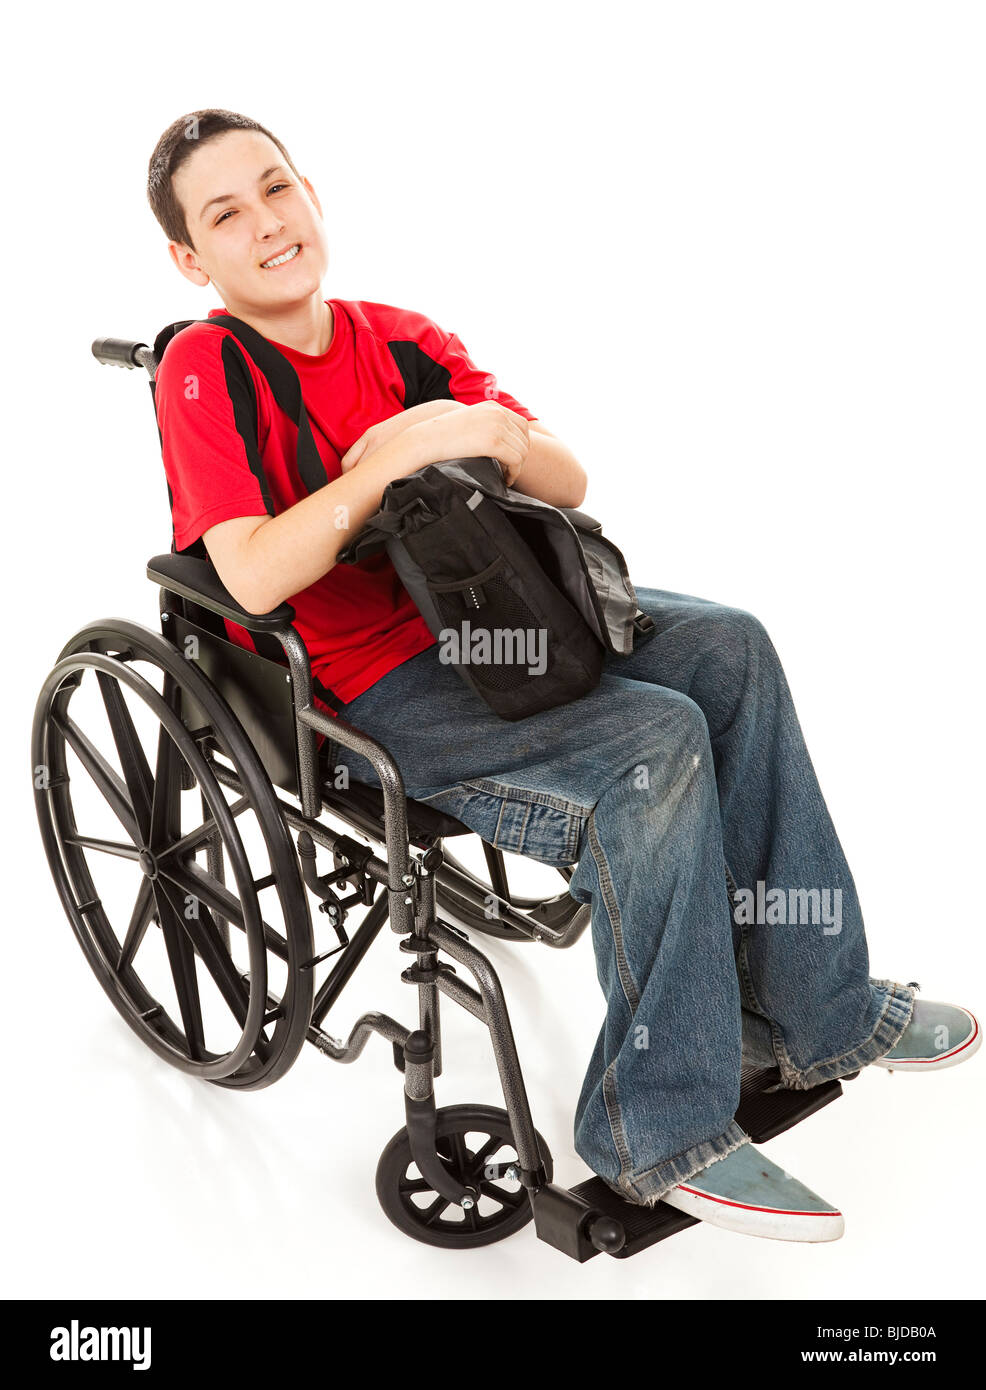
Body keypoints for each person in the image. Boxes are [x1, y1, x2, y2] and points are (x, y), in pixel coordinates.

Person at [148, 108, 980, 1244]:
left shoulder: (395, 338)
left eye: (277, 188)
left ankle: (815, 1010)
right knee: (655, 745)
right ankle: (657, 1129)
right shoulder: (204, 366)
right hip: (373, 688)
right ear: (192, 259)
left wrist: (475, 423)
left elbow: (566, 477)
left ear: (312, 195)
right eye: (225, 214)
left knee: (728, 646)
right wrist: (388, 466)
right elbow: (245, 576)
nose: (267, 223)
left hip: (507, 622)